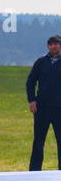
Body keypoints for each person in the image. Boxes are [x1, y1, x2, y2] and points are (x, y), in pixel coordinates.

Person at [27, 34, 61, 171]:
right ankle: (34, 170)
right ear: (48, 46)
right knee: (38, 141)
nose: (53, 46)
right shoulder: (41, 62)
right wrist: (32, 100)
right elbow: (30, 81)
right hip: (42, 108)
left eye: (56, 43)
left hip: (59, 108)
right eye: (51, 44)